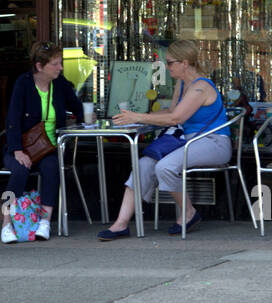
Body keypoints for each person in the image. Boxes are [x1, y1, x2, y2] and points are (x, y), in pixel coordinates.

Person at [98, 40, 234, 240]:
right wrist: (139, 116)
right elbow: (170, 112)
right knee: (143, 165)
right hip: (187, 142)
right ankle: (120, 224)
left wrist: (138, 117)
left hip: (213, 142)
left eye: (170, 63)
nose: (166, 66)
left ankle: (188, 212)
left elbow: (176, 118)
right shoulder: (182, 83)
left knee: (165, 167)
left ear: (185, 63)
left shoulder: (200, 87)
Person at [1, 42, 85, 243]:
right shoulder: (23, 83)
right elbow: (12, 119)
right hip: (21, 147)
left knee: (51, 166)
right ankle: (6, 221)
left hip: (49, 148)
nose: (60, 67)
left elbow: (78, 107)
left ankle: (45, 221)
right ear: (39, 66)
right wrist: (17, 151)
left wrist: (83, 121)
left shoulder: (60, 84)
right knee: (19, 171)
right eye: (55, 64)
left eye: (60, 63)